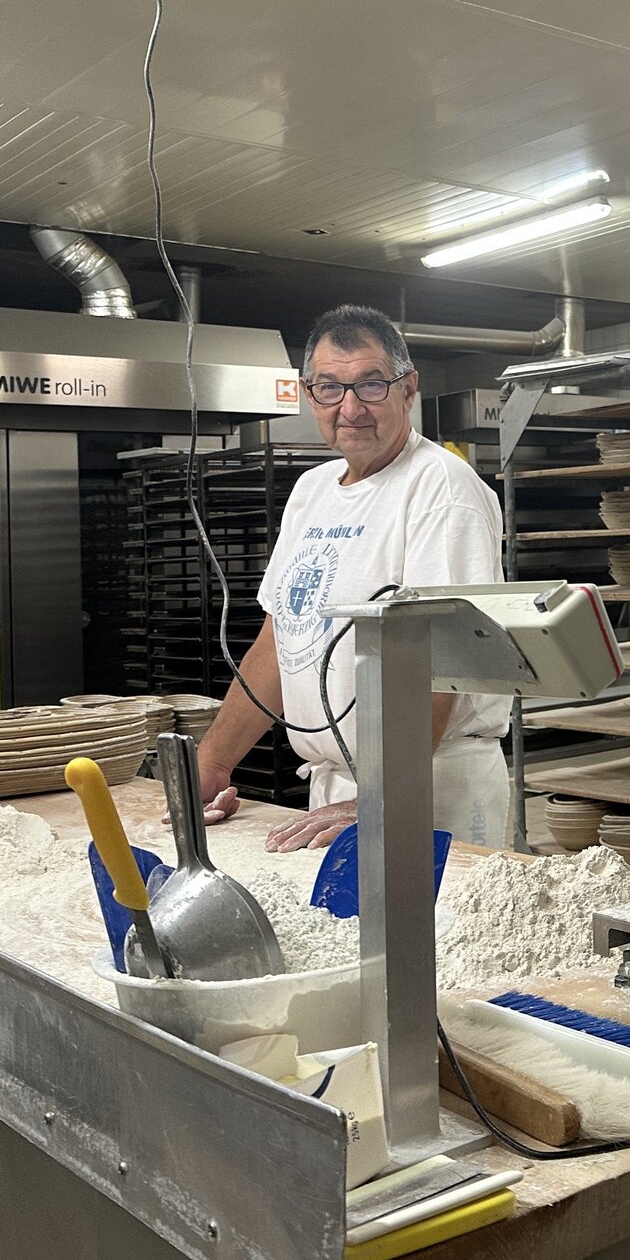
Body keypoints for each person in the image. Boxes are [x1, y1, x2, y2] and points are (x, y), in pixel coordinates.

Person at [195, 304, 512, 852]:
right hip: (340, 793)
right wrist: (213, 762)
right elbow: (280, 640)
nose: (350, 408)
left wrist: (384, 793)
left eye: (370, 385)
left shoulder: (442, 488)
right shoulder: (312, 491)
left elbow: (444, 652)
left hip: (431, 784)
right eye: (329, 388)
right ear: (307, 393)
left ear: (407, 388)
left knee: (429, 936)